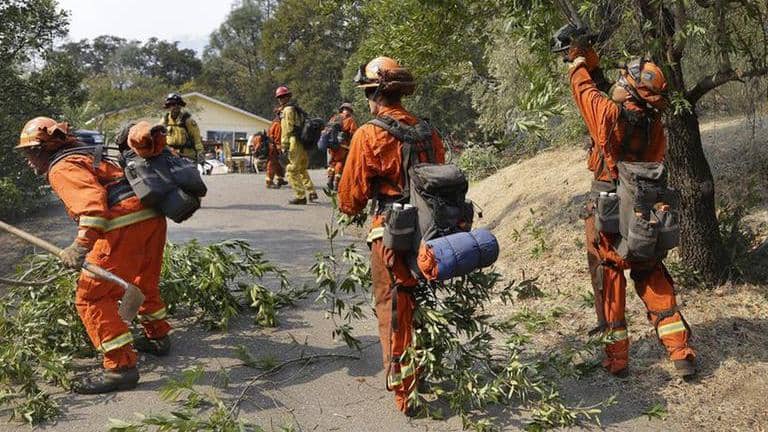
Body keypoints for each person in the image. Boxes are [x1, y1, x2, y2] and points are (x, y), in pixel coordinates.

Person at [566, 45, 696, 377]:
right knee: (651, 274)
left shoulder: (608, 115)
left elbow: (583, 88)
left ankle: (617, 360)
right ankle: (680, 351)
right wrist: (594, 62)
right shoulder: (656, 127)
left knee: (609, 278)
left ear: (632, 90)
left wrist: (578, 59)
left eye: (624, 79)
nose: (619, 82)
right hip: (643, 213)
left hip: (609, 213)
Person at [15, 118, 172, 394]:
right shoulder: (87, 153)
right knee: (142, 280)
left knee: (92, 296)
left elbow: (93, 208)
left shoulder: (61, 167)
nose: (28, 162)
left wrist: (80, 246)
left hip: (123, 224)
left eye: (29, 154)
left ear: (42, 150)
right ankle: (158, 337)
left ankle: (120, 368)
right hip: (152, 216)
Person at [338, 57, 445, 415]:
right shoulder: (428, 131)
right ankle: (424, 366)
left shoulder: (369, 134)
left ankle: (405, 389)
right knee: (421, 302)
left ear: (373, 93)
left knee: (393, 307)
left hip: (391, 235)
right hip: (430, 234)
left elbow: (350, 199)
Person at [275, 86, 317, 204]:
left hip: (293, 141)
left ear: (288, 97)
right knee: (302, 169)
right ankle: (311, 192)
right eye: (279, 97)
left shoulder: (287, 111)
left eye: (283, 96)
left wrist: (284, 145)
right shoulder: (296, 109)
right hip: (302, 141)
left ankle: (300, 196)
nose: (281, 99)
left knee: (291, 170)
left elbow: (287, 128)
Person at [162, 93, 204, 164]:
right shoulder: (164, 121)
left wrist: (200, 153)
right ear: (169, 106)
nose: (175, 106)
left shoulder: (188, 121)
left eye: (178, 104)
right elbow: (155, 135)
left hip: (187, 157)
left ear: (181, 106)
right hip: (170, 156)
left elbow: (197, 139)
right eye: (173, 104)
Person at [325, 102, 357, 191]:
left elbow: (327, 129)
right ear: (350, 110)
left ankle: (329, 179)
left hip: (331, 145)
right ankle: (336, 182)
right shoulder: (350, 120)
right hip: (343, 146)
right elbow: (353, 133)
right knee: (340, 163)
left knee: (332, 163)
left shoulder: (334, 118)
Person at [264, 114, 288, 188]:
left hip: (272, 146)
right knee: (272, 164)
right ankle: (269, 181)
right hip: (273, 147)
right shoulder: (278, 124)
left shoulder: (274, 123)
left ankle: (280, 179)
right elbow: (277, 137)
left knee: (277, 164)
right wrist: (279, 148)